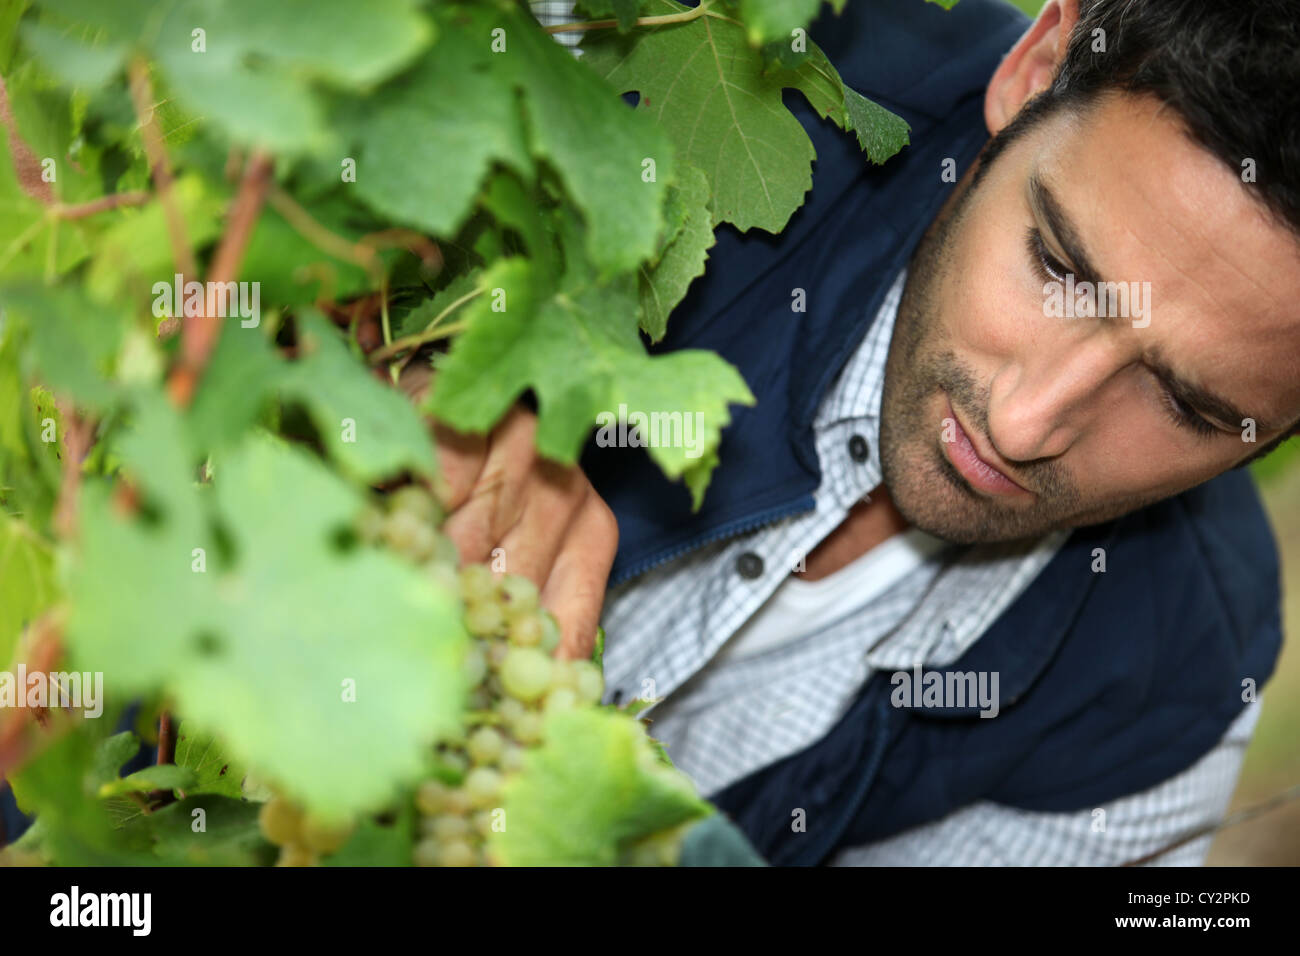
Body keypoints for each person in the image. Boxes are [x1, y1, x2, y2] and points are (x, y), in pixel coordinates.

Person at [433, 0, 1300, 864]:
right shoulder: (680, 35)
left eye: (1188, 407)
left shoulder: (1168, 710)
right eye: (1057, 265)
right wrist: (395, 354)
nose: (1022, 423)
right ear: (1035, 69)